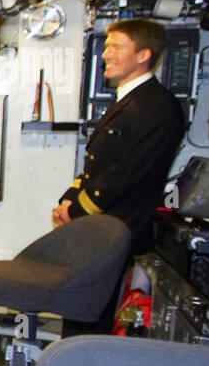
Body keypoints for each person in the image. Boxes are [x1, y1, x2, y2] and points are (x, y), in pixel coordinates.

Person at [52, 18, 186, 334]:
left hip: (118, 229)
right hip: (101, 226)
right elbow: (95, 167)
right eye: (107, 46)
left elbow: (124, 175)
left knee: (92, 314)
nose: (105, 54)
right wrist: (68, 200)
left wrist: (77, 211)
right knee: (81, 307)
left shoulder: (156, 107)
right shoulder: (131, 101)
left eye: (116, 47)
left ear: (143, 55)